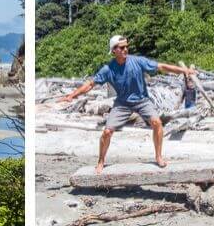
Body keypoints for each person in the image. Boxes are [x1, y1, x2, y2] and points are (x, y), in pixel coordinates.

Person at [59, 35, 195, 173]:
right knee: (107, 132)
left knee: (157, 123)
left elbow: (162, 67)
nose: (125, 49)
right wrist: (71, 95)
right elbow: (90, 84)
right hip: (122, 103)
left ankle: (158, 157)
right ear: (113, 50)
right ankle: (101, 161)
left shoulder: (137, 61)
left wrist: (184, 70)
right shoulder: (108, 69)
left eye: (126, 46)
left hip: (142, 101)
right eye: (122, 47)